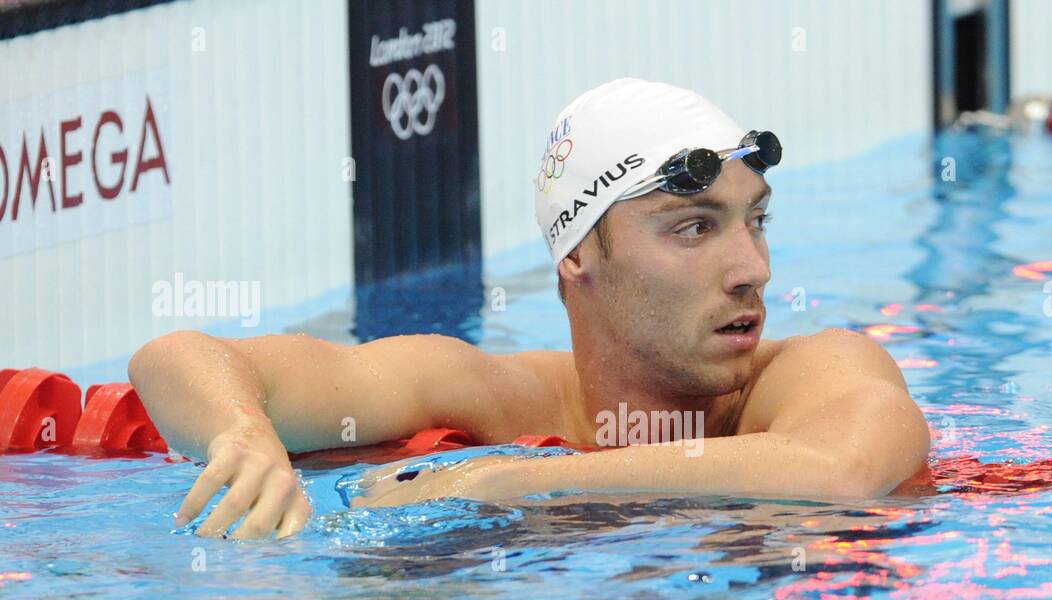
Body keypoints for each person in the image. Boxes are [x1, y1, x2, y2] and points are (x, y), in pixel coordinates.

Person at [128, 78, 930, 540]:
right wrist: (242, 431)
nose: (753, 269)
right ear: (577, 255)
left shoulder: (820, 369)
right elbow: (175, 358)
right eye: (694, 228)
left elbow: (840, 471)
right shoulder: (497, 396)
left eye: (755, 220)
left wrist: (517, 481)